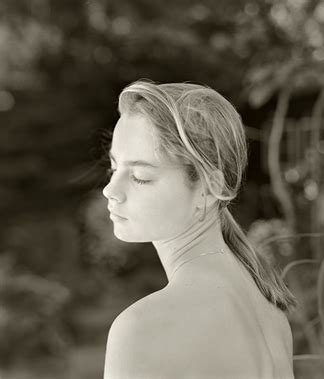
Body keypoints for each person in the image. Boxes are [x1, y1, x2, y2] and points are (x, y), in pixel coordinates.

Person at [102, 80, 297, 378]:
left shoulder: (142, 327)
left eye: (140, 176)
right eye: (115, 168)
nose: (110, 190)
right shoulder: (271, 314)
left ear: (208, 189)